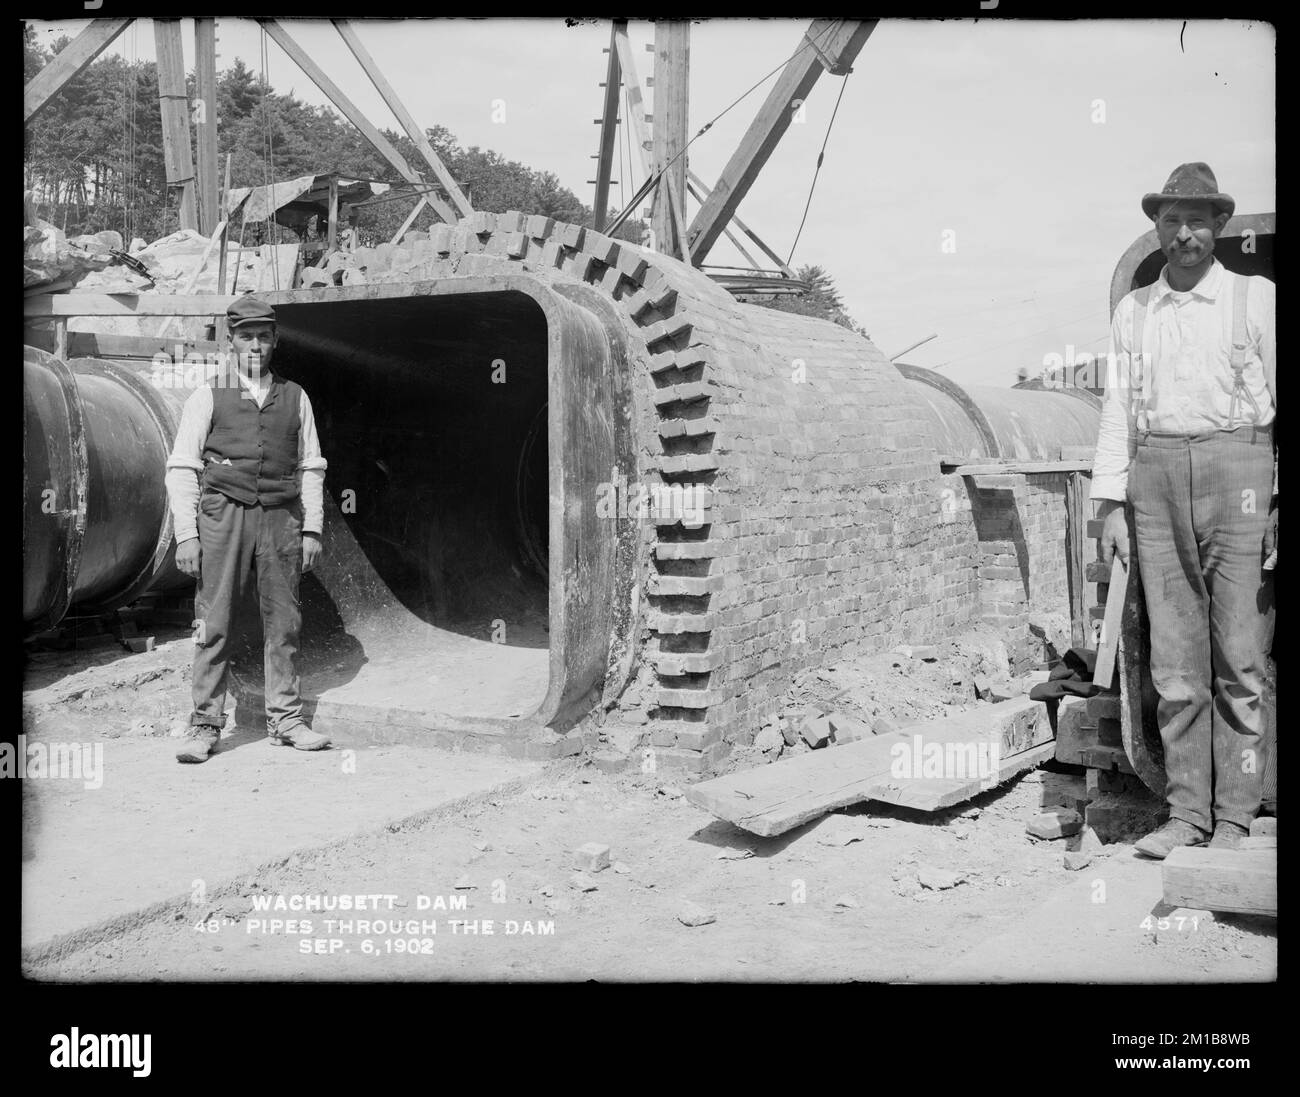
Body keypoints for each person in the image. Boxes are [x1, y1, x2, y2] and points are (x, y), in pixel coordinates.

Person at [1093, 163, 1276, 857]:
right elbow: (1117, 412)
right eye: (1171, 220)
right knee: (1174, 662)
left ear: (1221, 225)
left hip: (1242, 474)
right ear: (1158, 227)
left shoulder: (1257, 299)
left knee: (1240, 658)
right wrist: (1112, 505)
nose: (1184, 233)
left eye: (1197, 219)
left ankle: (1235, 816)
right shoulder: (1134, 312)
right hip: (1156, 475)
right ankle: (1186, 815)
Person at [166, 297, 331, 763]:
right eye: (245, 336)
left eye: (263, 336)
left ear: (275, 341)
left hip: (281, 519)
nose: (255, 345)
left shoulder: (297, 397)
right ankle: (204, 724)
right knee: (212, 620)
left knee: (285, 620)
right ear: (230, 341)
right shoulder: (208, 396)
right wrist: (187, 535)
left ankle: (287, 718)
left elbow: (311, 466)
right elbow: (181, 467)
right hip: (223, 515)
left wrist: (312, 529)